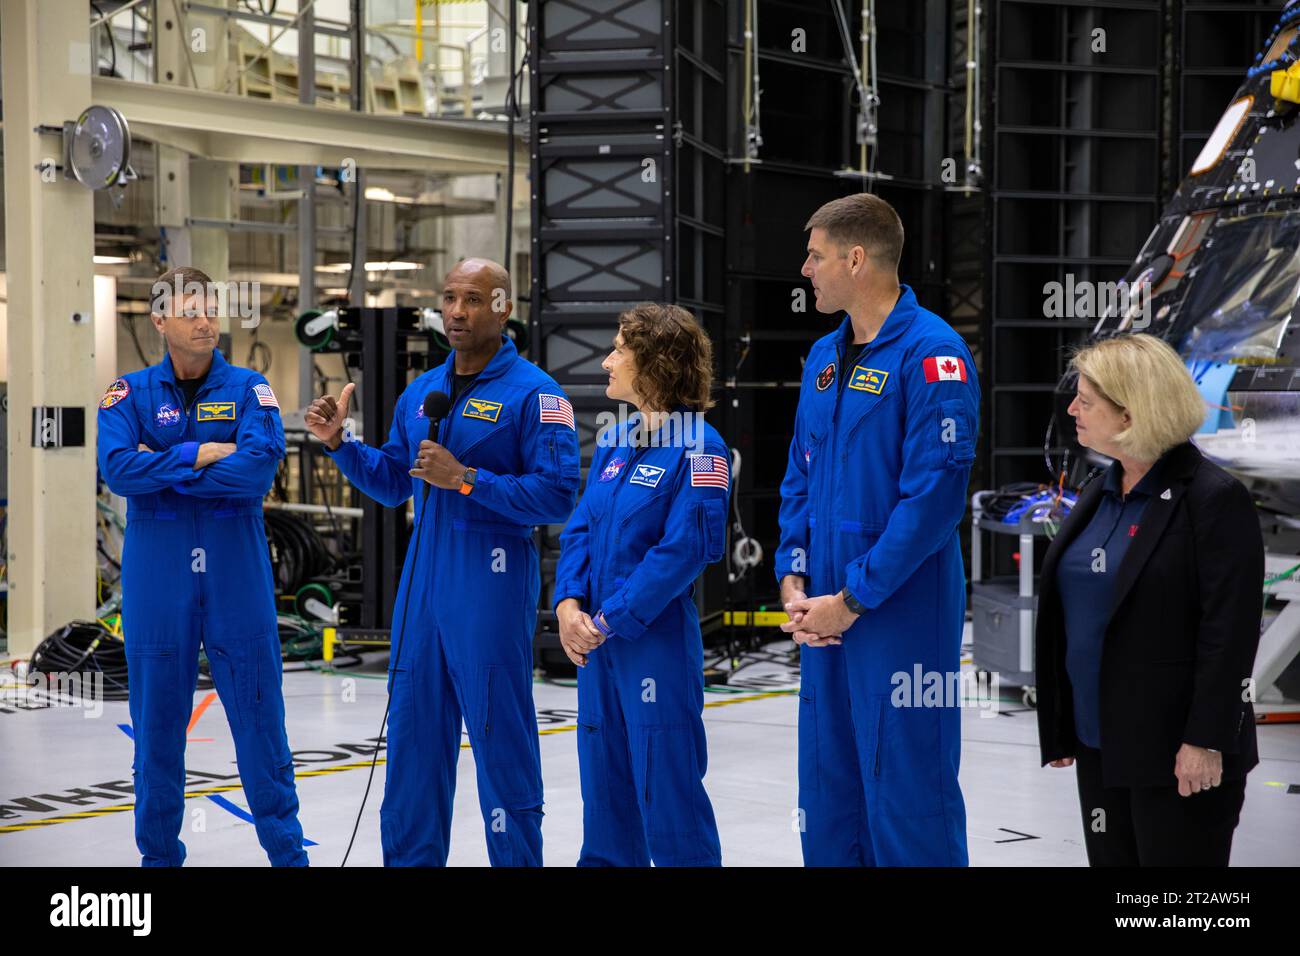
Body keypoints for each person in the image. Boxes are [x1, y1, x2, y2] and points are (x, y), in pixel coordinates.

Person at [304, 257, 580, 866]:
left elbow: (559, 494)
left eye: (474, 300)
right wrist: (341, 443)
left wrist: (467, 481)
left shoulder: (538, 395)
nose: (456, 312)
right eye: (450, 298)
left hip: (489, 582)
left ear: (503, 307)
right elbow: (393, 482)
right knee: (412, 744)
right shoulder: (420, 392)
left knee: (499, 739)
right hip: (421, 589)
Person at [775, 193, 979, 866]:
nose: (805, 269)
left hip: (900, 613)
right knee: (830, 790)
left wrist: (854, 599)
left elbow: (932, 502)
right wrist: (794, 572)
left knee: (906, 791)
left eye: (816, 254)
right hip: (826, 607)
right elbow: (800, 476)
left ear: (855, 259)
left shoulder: (933, 357)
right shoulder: (822, 360)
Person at [97, 265, 307, 867]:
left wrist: (163, 465)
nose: (206, 321)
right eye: (191, 311)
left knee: (261, 723)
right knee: (158, 730)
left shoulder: (248, 388)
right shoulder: (128, 393)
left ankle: (289, 859)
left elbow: (257, 471)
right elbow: (116, 470)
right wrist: (199, 454)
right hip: (157, 574)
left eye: (211, 310)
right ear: (159, 320)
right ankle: (159, 862)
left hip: (234, 568)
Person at [1036, 334, 1263, 866]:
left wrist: (1206, 739)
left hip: (1178, 750)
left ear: (1132, 412)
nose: (1071, 409)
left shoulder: (1212, 498)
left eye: (1086, 400)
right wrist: (1066, 723)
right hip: (1102, 743)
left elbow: (1229, 632)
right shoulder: (1102, 486)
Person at [553, 304, 729, 867]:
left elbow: (685, 550)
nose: (606, 360)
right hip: (596, 645)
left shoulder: (702, 448)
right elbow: (581, 526)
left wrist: (609, 620)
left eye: (619, 350)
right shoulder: (613, 440)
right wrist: (567, 606)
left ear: (656, 363)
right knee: (603, 792)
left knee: (667, 794)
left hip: (649, 642)